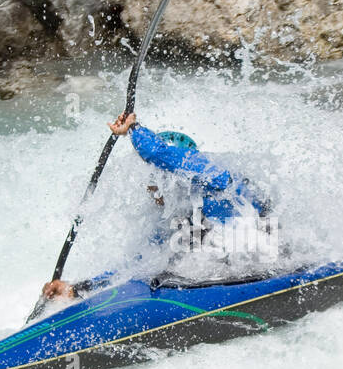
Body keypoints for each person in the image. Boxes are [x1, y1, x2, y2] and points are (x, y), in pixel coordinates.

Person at [42, 112, 269, 301]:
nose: (153, 192)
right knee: (173, 262)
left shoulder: (217, 179)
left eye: (157, 182)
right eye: (150, 184)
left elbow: (159, 154)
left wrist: (133, 128)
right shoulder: (177, 216)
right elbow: (139, 265)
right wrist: (78, 289)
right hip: (225, 270)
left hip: (267, 260)